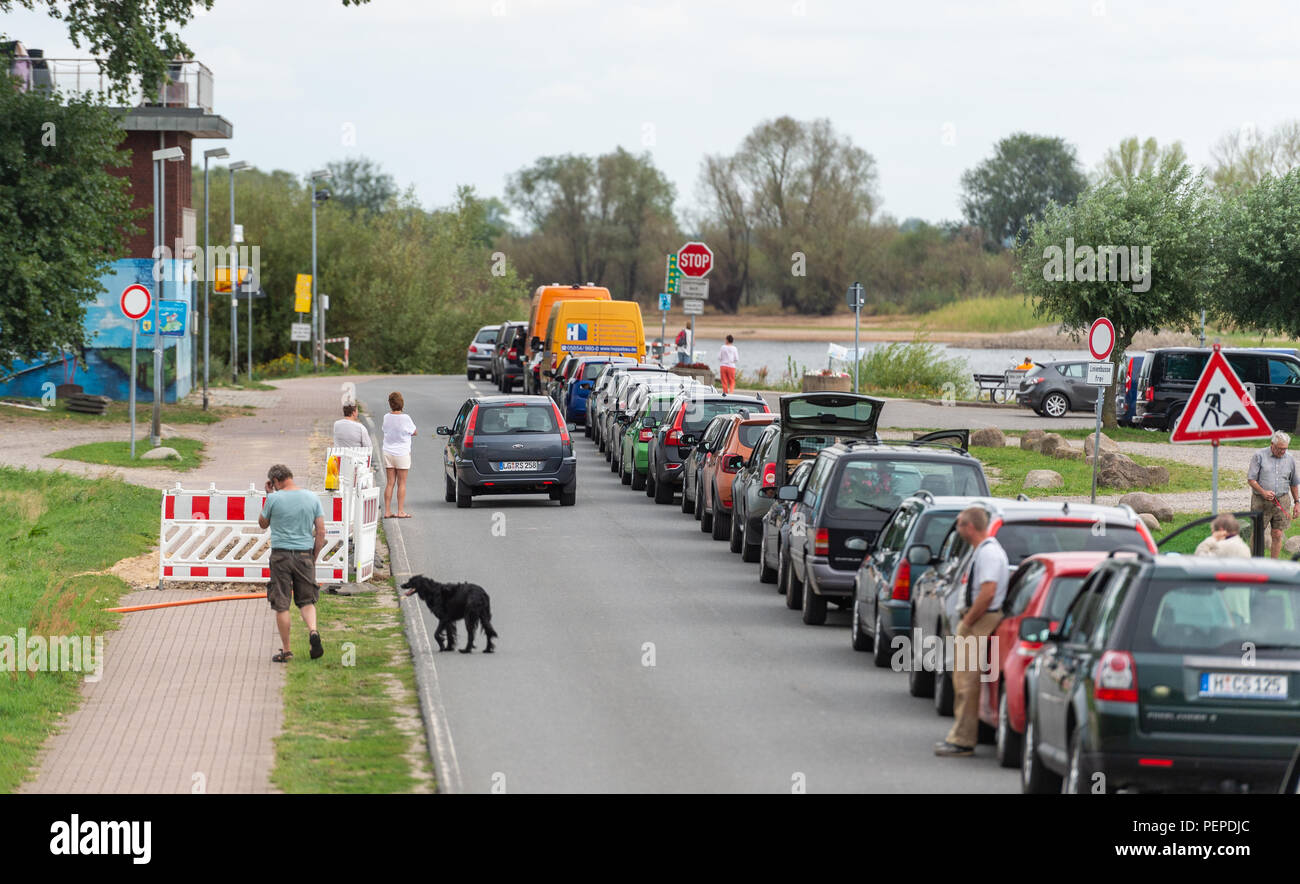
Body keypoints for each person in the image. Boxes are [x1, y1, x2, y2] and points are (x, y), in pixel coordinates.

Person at [935, 506, 1008, 758]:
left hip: (981, 619)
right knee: (963, 680)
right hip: (979, 618)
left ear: (969, 527)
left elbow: (987, 592)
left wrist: (968, 621)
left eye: (959, 525)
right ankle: (961, 735)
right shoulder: (984, 551)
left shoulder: (988, 554)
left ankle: (962, 741)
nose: (957, 530)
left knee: (967, 682)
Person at [258, 464, 325, 663]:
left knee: (282, 604)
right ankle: (313, 632)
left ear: (275, 481)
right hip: (304, 554)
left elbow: (262, 524)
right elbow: (321, 531)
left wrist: (268, 495)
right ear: (290, 477)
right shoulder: (312, 497)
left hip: (281, 556)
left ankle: (286, 651)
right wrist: (313, 556)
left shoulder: (274, 498)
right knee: (307, 601)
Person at [1246, 430, 1299, 558]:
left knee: (1277, 533)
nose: (1282, 452)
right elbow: (1251, 479)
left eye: (1285, 449)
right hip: (1261, 501)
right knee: (1258, 533)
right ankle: (1255, 562)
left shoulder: (1290, 459)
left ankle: (1273, 564)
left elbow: (1293, 483)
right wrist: (1263, 492)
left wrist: (1297, 502)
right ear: (1272, 444)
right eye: (1280, 448)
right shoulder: (1259, 456)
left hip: (1282, 500)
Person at [382, 391, 417, 518]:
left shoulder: (386, 417)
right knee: (401, 483)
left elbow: (385, 430)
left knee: (390, 482)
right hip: (402, 453)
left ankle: (387, 511)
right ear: (401, 403)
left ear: (390, 404)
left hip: (388, 452)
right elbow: (414, 431)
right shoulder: (406, 418)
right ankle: (400, 511)